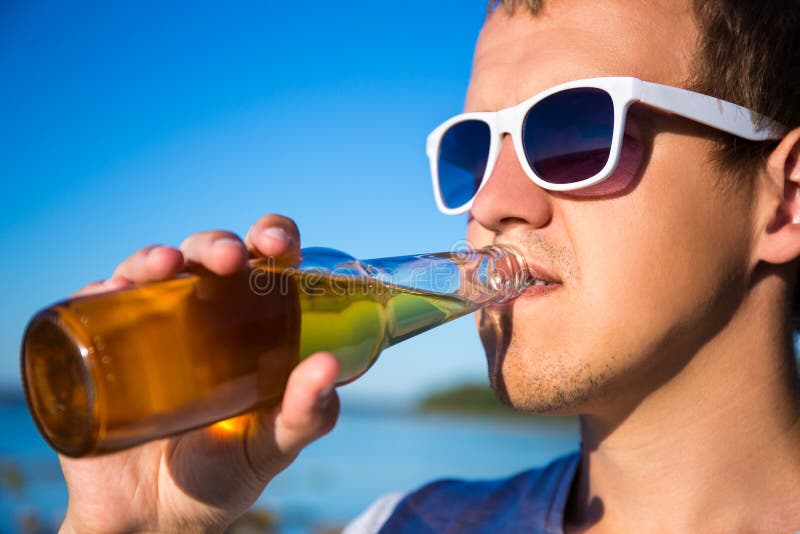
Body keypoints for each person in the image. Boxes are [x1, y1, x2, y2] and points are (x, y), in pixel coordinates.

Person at [58, 0, 800, 532]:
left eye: (576, 130)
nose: (492, 202)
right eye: (473, 149)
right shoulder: (404, 523)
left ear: (785, 202)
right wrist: (140, 527)